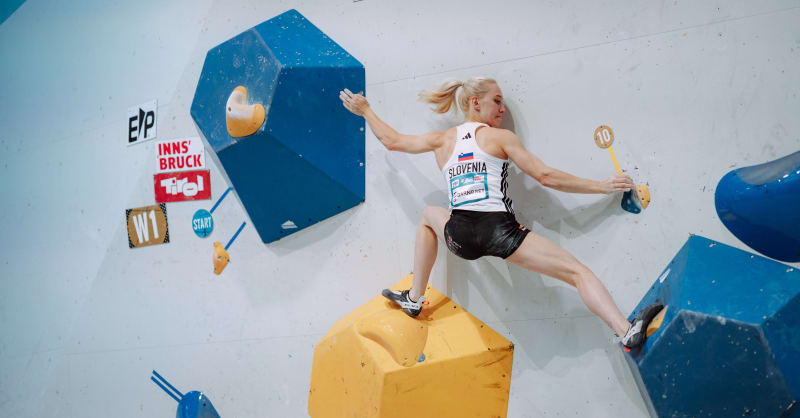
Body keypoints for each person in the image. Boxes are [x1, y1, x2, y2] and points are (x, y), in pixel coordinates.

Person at [339, 78, 661, 348]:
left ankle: (414, 297)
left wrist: (366, 111)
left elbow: (392, 141)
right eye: (497, 101)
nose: (502, 109)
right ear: (475, 102)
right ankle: (625, 330)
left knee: (427, 215)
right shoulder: (500, 138)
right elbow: (545, 176)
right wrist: (601, 187)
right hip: (499, 232)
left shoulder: (441, 140)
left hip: (459, 236)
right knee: (578, 273)